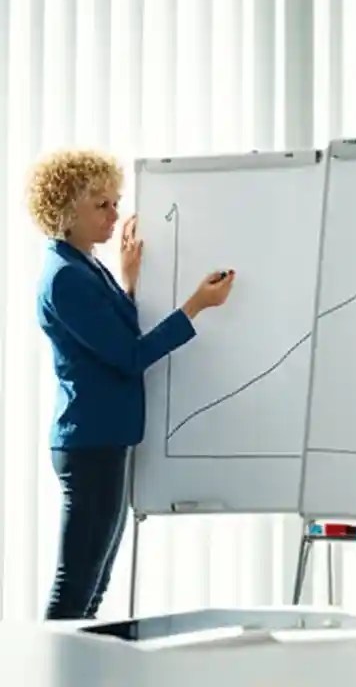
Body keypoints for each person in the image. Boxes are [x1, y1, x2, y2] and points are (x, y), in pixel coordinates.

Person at [30, 149, 235, 619]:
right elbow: (129, 355)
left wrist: (127, 282)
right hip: (91, 444)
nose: (115, 215)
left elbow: (113, 334)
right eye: (102, 205)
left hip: (104, 439)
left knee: (94, 584)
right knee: (77, 586)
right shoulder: (65, 277)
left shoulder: (82, 263)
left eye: (114, 201)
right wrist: (194, 307)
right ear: (66, 209)